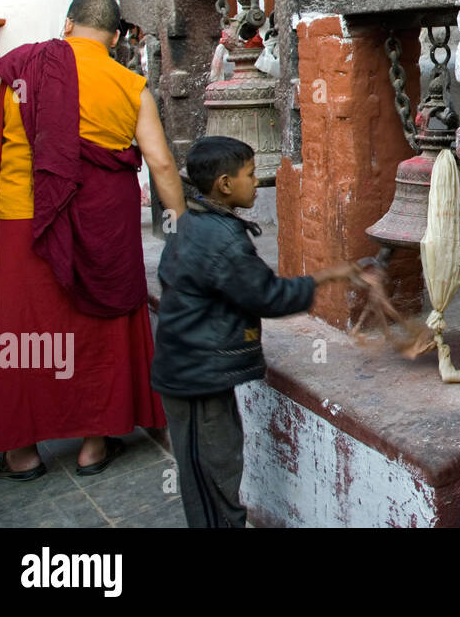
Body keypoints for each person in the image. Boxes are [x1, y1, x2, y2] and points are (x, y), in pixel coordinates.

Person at [0, 0, 187, 480]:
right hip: (101, 225)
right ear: (115, 38)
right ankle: (94, 444)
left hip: (23, 218)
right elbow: (158, 161)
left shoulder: (21, 66)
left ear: (67, 25)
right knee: (98, 331)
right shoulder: (130, 84)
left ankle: (22, 452)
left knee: (22, 335)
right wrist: (182, 223)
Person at [151, 136, 371, 528]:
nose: (257, 182)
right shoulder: (223, 240)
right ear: (224, 184)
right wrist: (330, 275)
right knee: (215, 477)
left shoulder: (190, 223)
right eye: (250, 175)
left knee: (207, 473)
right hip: (197, 378)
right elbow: (268, 296)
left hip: (188, 370)